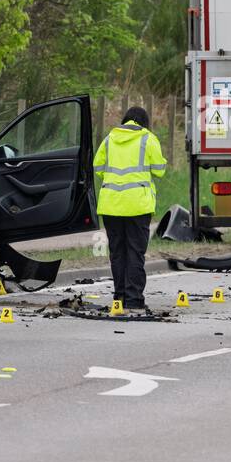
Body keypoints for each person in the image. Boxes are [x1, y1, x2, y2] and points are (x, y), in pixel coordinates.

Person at [93, 106, 167, 311]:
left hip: (111, 205)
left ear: (125, 120)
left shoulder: (109, 139)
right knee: (135, 252)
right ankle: (134, 299)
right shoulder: (148, 139)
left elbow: (98, 167)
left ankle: (119, 298)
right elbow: (159, 171)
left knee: (117, 252)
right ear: (144, 122)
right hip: (137, 205)